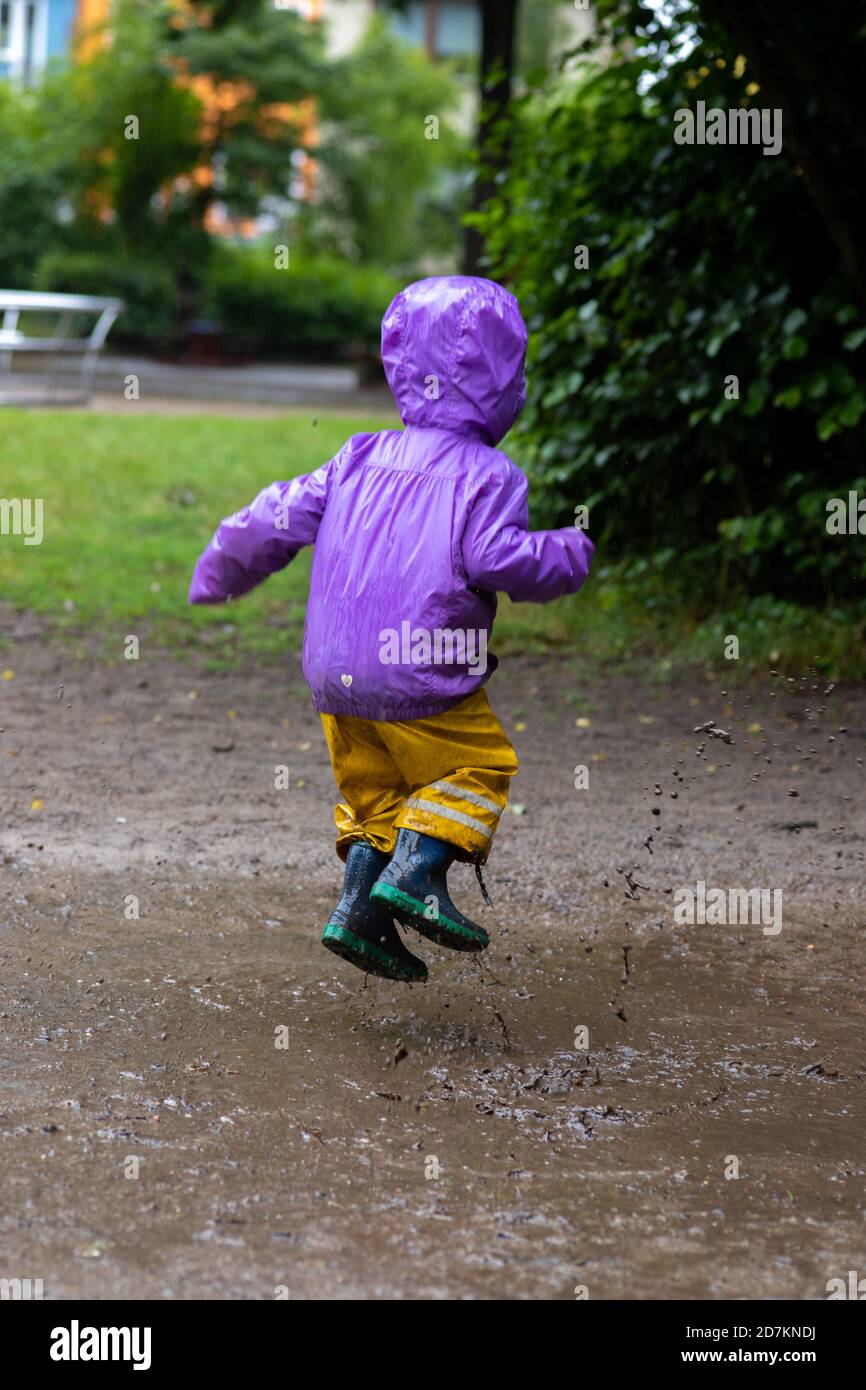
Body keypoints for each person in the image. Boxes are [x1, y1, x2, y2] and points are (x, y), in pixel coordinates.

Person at [189, 276, 595, 984]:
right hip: (421, 673)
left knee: (375, 794)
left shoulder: (356, 456)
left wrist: (219, 573)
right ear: (500, 378)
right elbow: (499, 559)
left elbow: (272, 515)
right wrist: (569, 552)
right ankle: (414, 877)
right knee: (476, 769)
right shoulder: (489, 475)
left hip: (336, 674)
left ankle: (359, 913)